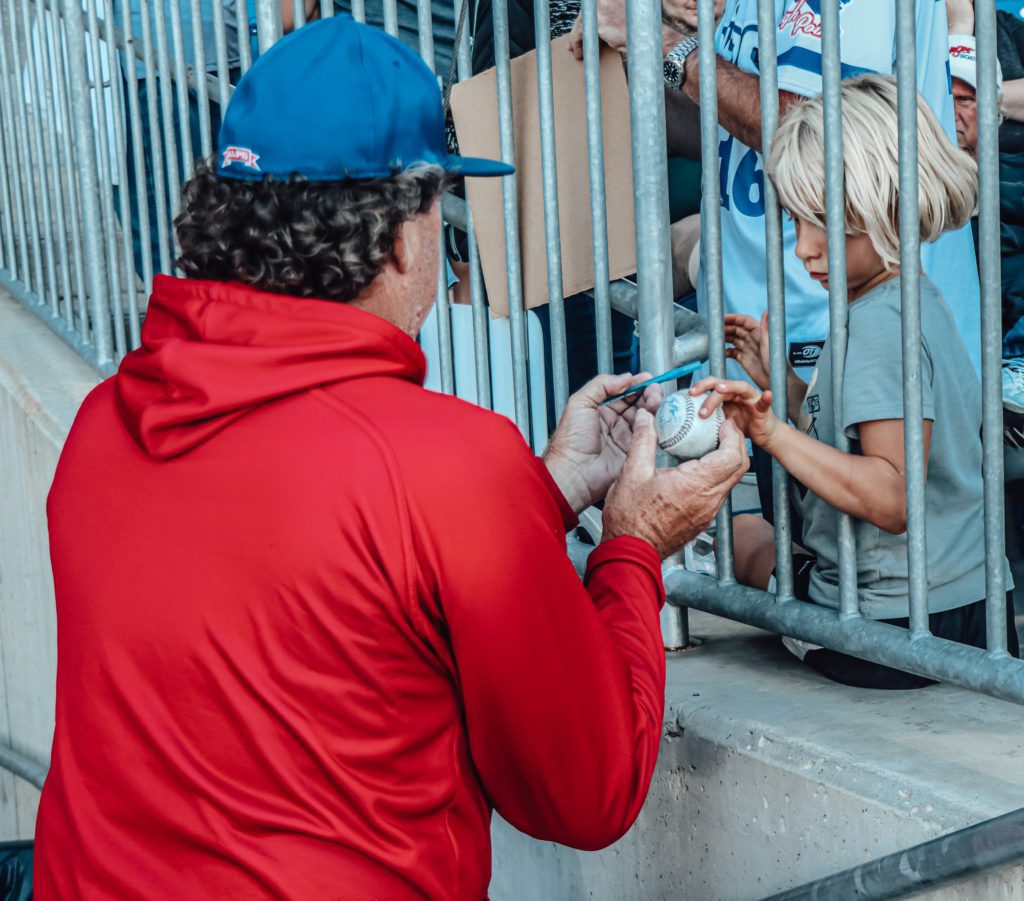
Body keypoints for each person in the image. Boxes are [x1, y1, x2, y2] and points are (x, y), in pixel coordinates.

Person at [34, 16, 749, 897]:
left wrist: (544, 493)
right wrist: (634, 546)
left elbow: (351, 584)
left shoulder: (101, 427)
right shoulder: (448, 467)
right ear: (403, 234)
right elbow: (589, 791)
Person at [689, 75, 1019, 689]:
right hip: (972, 608)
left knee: (737, 537)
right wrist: (783, 387)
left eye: (827, 226)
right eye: (796, 223)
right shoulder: (916, 298)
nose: (805, 250)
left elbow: (892, 499)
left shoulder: (876, 323)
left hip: (886, 632)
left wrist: (767, 432)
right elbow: (865, 435)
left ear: (884, 209)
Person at [945, 2, 1024, 449]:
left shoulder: (1005, 28)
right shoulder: (894, 27)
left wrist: (987, 92)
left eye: (964, 101)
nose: (955, 111)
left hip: (1003, 177)